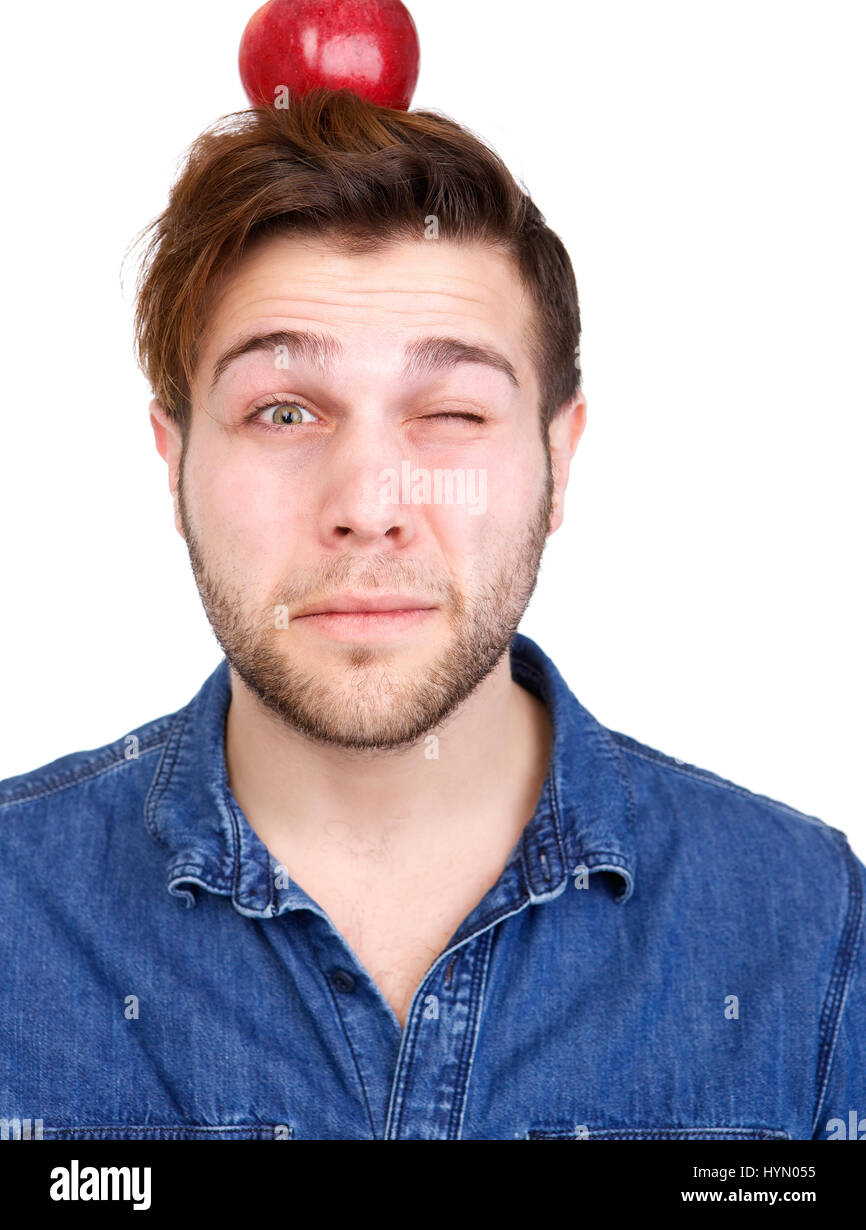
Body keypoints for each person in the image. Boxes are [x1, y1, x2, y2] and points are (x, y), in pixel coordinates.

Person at [1, 89, 863, 1142]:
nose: (368, 507)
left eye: (450, 413)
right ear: (174, 458)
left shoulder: (805, 925)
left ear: (557, 458)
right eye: (282, 411)